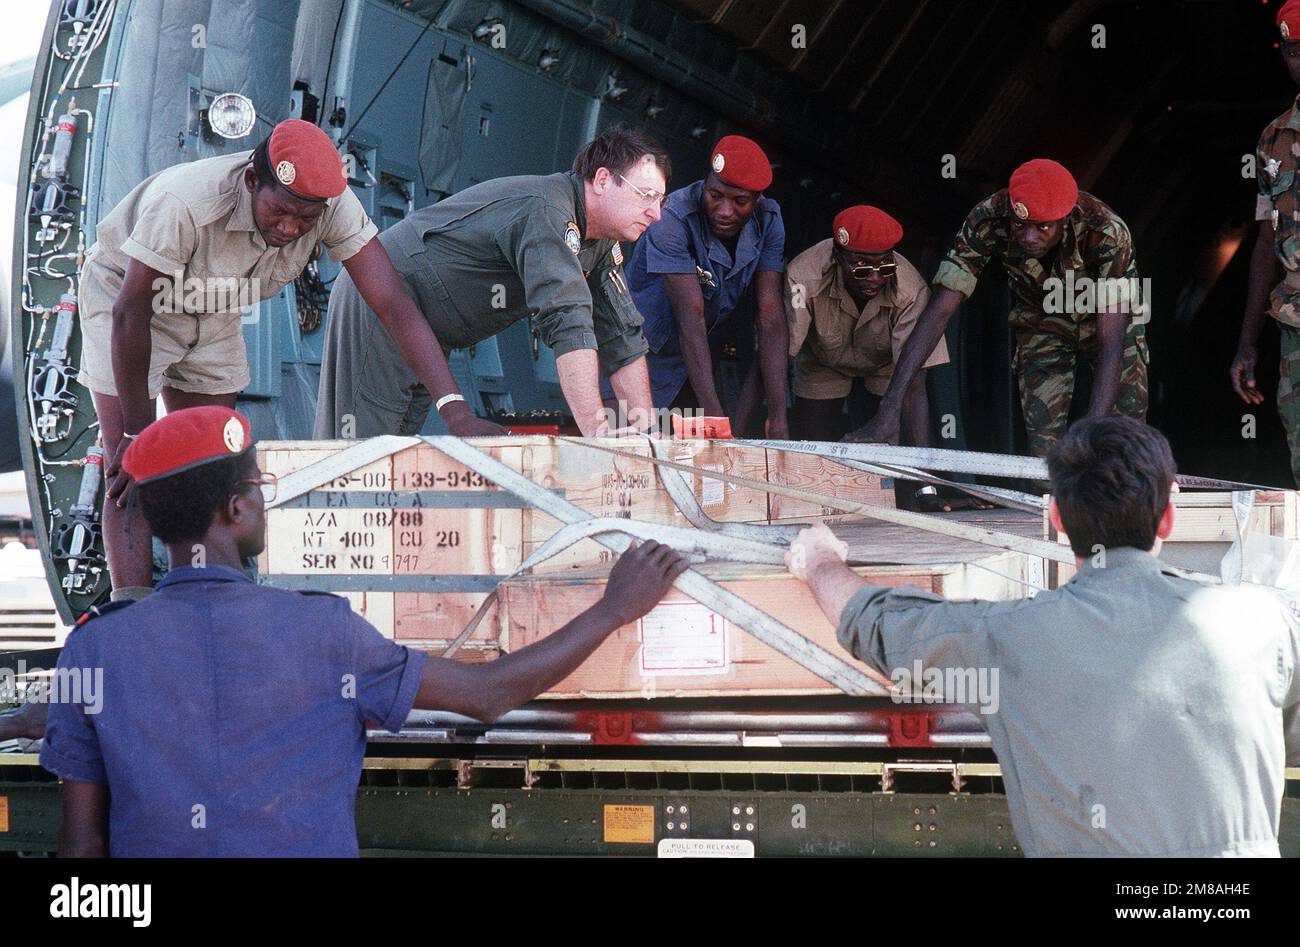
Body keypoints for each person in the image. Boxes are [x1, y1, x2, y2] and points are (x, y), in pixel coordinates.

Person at [40, 406, 687, 856]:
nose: (266, 498)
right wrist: (613, 608)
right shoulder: (322, 631)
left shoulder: (96, 649)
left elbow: (82, 843)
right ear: (235, 510)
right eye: (257, 488)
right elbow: (487, 694)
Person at [786, 416, 1300, 857]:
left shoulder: (1008, 638)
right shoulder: (1266, 621)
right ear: (1169, 514)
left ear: (1054, 516)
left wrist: (819, 561)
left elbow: (875, 624)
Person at [80, 118, 483, 602]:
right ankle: (133, 614)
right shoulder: (186, 202)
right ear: (253, 181)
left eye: (305, 221)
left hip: (214, 306)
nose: (290, 228)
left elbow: (393, 303)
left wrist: (453, 407)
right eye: (281, 212)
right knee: (136, 466)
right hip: (129, 302)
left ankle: (201, 601)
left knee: (209, 465)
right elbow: (131, 310)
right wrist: (134, 434)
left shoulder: (331, 205)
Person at [315, 125, 668, 440]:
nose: (657, 213)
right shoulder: (547, 211)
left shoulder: (601, 241)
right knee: (360, 452)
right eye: (647, 196)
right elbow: (568, 319)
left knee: (394, 451)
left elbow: (622, 335)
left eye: (661, 200)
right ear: (604, 180)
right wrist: (597, 431)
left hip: (431, 331)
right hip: (383, 298)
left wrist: (647, 432)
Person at [849, 159, 1147, 456]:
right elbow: (939, 312)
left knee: (1123, 438)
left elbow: (1111, 341)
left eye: (1042, 227)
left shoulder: (1105, 229)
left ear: (1065, 218)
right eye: (1020, 225)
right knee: (1045, 450)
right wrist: (890, 407)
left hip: (1107, 323)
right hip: (1042, 322)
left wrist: (1091, 432)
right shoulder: (987, 217)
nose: (1028, 238)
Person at [619, 135, 788, 436]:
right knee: (629, 457)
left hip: (694, 365)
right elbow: (690, 319)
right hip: (639, 357)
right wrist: (713, 412)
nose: (724, 211)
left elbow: (771, 318)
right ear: (705, 183)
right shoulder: (671, 219)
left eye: (740, 202)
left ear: (757, 199)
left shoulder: (769, 220)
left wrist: (777, 416)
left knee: (691, 465)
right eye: (715, 196)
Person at [1231, 0, 1300, 484]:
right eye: (1292, 51)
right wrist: (1247, 342)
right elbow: (1265, 240)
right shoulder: (1271, 140)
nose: (1299, 61)